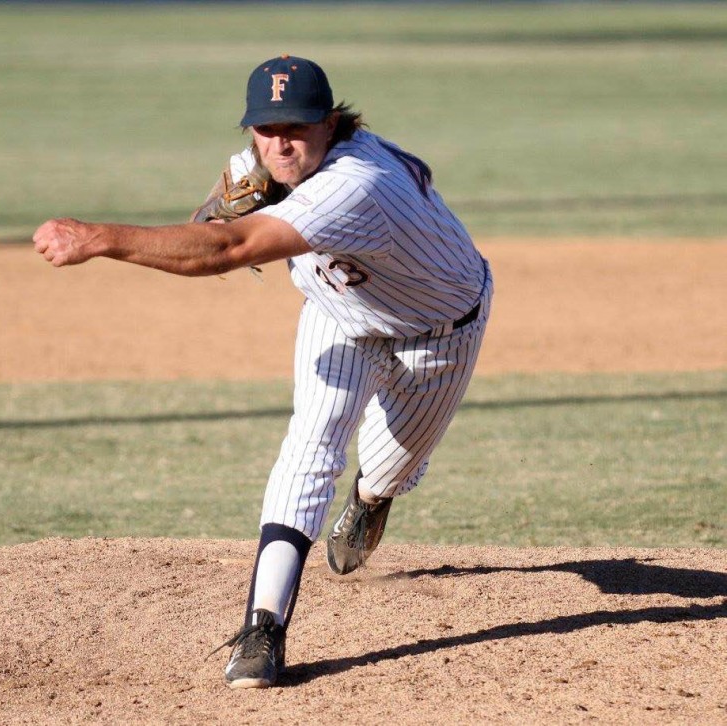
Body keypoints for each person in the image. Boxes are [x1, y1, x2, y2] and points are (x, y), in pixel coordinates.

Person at [34, 54, 493, 689]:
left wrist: (100, 238)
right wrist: (218, 209)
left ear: (330, 125)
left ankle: (371, 497)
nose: (280, 143)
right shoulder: (268, 162)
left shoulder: (357, 182)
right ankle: (263, 627)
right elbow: (210, 229)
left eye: (298, 128)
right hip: (340, 314)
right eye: (265, 128)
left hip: (439, 334)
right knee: (309, 450)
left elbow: (228, 249)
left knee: (392, 465)